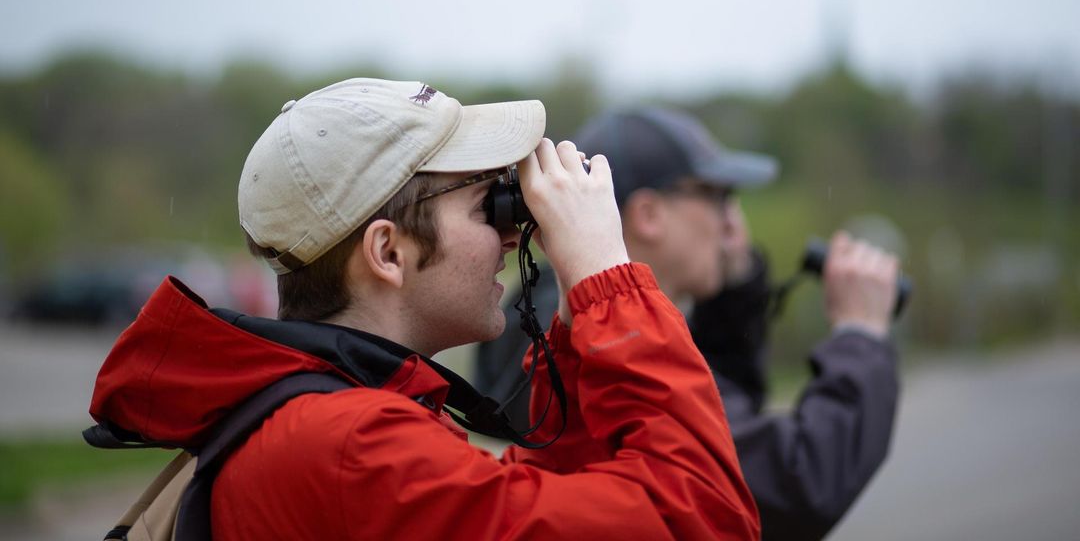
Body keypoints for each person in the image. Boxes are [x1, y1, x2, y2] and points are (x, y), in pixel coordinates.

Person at [87, 80, 760, 539]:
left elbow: (570, 503)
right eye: (484, 204)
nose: (511, 233)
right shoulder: (351, 448)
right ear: (388, 251)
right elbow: (704, 519)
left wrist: (580, 329)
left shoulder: (344, 421)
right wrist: (610, 283)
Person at [476, 107, 901, 541]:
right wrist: (860, 334)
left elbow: (720, 403)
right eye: (719, 197)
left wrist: (735, 296)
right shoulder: (588, 332)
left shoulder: (612, 318)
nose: (733, 224)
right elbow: (785, 481)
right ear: (649, 215)